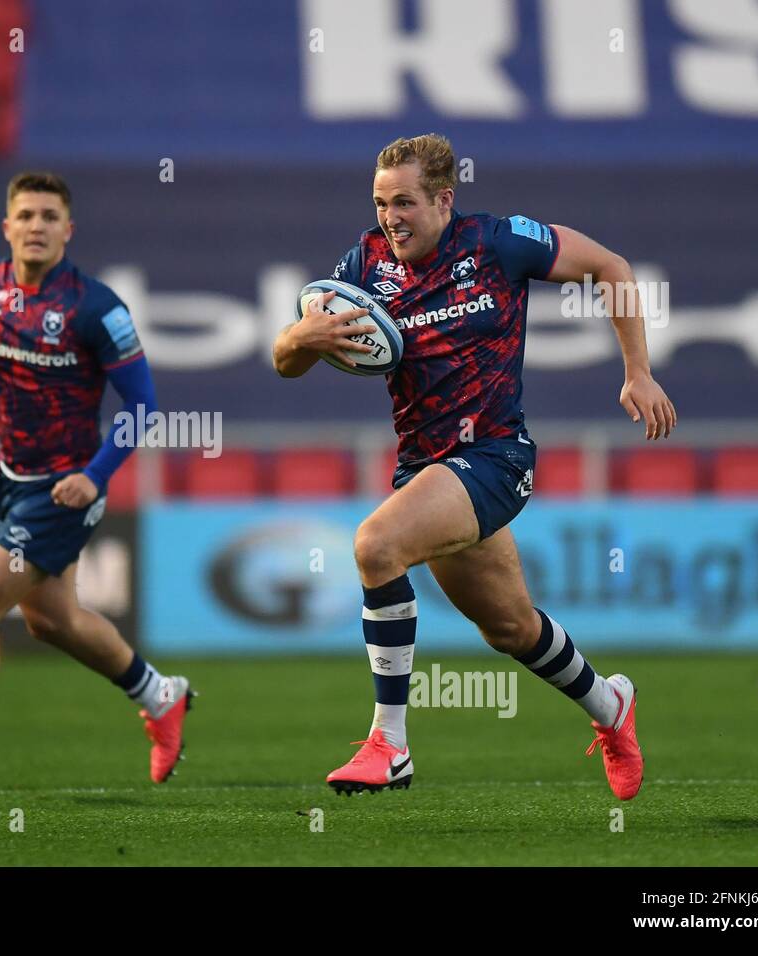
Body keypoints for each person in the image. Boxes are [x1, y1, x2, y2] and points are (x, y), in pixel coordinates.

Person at [272, 134, 677, 800]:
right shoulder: (362, 265)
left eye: (404, 201)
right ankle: (612, 707)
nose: (389, 217)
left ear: (443, 199)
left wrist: (638, 372)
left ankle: (389, 745)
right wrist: (301, 338)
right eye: (380, 202)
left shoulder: (498, 244)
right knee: (511, 628)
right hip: (426, 471)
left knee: (376, 545)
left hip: (495, 456)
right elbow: (287, 361)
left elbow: (612, 268)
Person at [0, 171, 194, 790]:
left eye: (50, 216)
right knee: (53, 620)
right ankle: (162, 696)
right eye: (25, 215)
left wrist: (95, 477)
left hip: (62, 491)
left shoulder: (96, 308)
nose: (37, 226)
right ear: (7, 226)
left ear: (68, 230)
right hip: (12, 477)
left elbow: (142, 407)